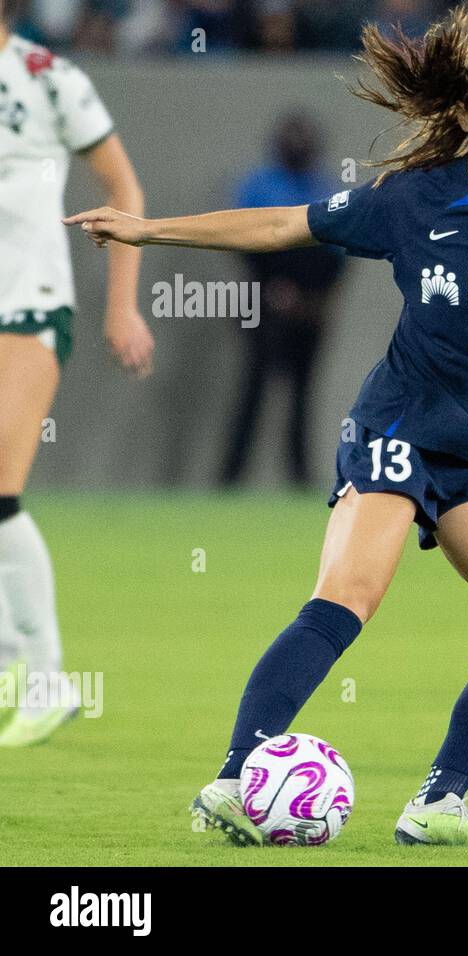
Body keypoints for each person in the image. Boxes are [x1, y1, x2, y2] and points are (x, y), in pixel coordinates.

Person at [66, 6, 468, 848]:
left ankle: (440, 800)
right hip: (398, 430)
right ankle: (231, 779)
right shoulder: (411, 201)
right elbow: (284, 223)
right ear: (465, 120)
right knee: (347, 600)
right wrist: (151, 229)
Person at [0, 8, 154, 747]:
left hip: (25, 308)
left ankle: (47, 676)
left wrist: (122, 305)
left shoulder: (49, 80)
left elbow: (122, 184)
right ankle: (9, 660)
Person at [219, 110, 347, 488]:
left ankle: (300, 476)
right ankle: (231, 476)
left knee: (303, 395)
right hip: (263, 307)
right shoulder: (257, 186)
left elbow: (337, 257)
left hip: (309, 310)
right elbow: (244, 246)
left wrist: (312, 300)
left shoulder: (326, 189)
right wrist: (272, 290)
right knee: (253, 391)